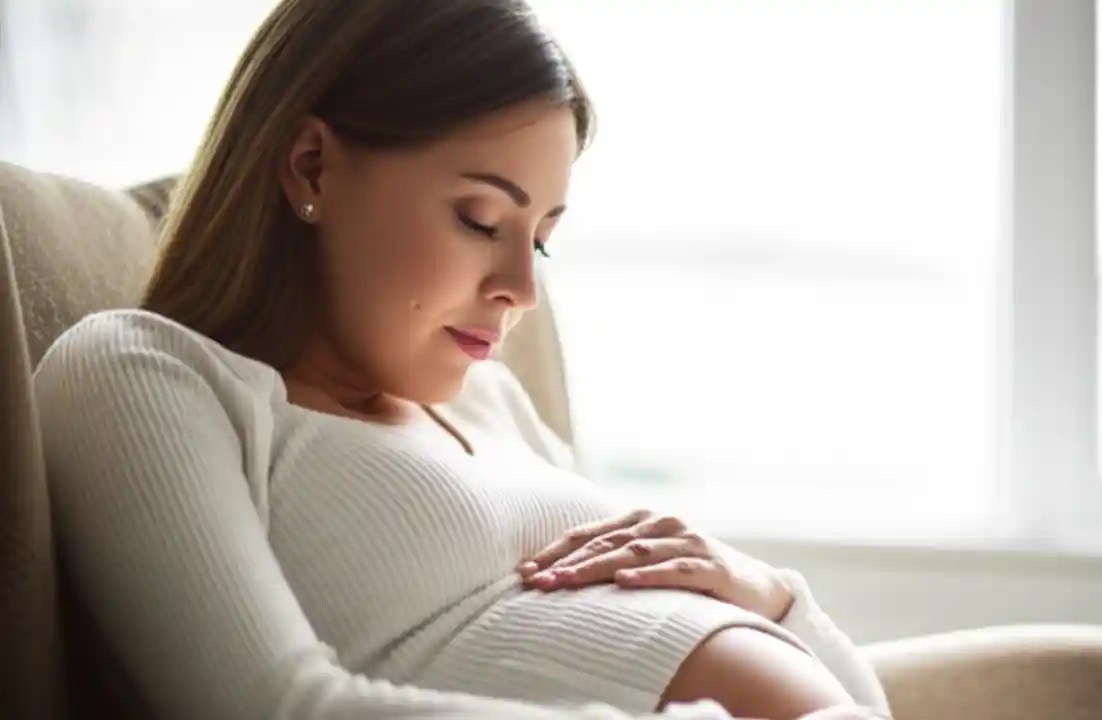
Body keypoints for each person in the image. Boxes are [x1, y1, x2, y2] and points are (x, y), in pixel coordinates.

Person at [33, 1, 892, 718]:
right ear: (311, 165)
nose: (522, 287)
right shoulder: (145, 375)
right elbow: (280, 708)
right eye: (482, 220)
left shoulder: (491, 401)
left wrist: (767, 595)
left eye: (542, 240)